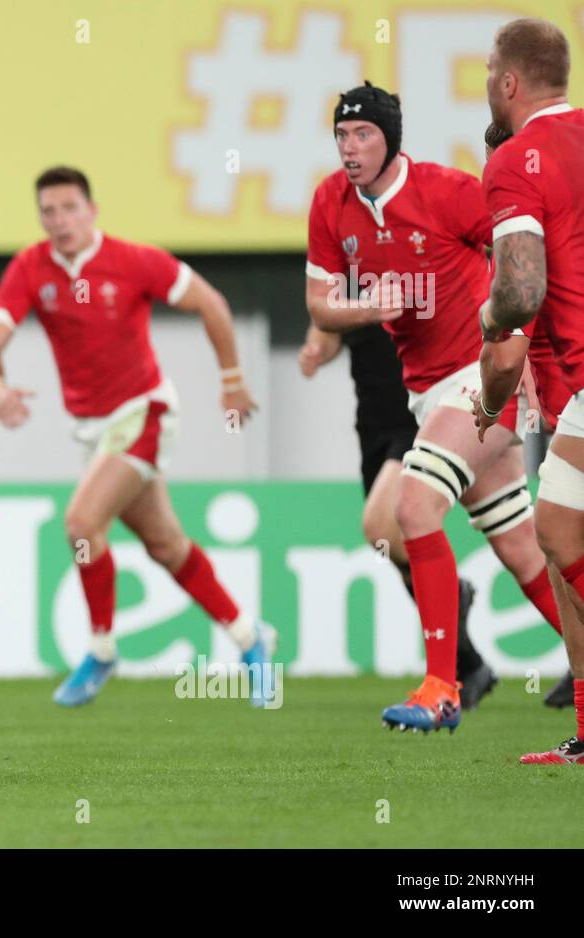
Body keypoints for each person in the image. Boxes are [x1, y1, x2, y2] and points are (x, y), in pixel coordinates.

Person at [305, 82, 561, 734]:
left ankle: (441, 686)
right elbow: (319, 305)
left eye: (363, 134)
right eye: (342, 135)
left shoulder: (448, 190)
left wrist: (536, 353)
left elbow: (527, 261)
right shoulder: (331, 204)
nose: (350, 147)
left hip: (487, 374)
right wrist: (368, 307)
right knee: (525, 551)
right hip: (430, 396)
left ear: (391, 139)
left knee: (411, 505)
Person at [0, 166, 273, 708]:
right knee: (166, 546)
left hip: (145, 412)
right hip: (93, 432)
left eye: (69, 208)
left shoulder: (135, 261)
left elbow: (212, 304)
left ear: (91, 210)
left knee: (82, 522)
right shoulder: (31, 267)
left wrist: (231, 381)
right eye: (49, 212)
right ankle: (253, 639)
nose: (60, 220)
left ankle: (102, 649)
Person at [473, 18, 584, 763]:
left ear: (509, 82)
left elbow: (518, 290)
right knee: (558, 534)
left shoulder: (518, 160)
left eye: (487, 70)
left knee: (557, 532)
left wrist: (487, 317)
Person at [298, 321, 496, 709]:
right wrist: (315, 350)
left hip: (422, 413)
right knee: (400, 554)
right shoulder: (350, 272)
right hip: (373, 423)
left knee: (380, 527)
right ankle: (470, 662)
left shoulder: (416, 265)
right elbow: (327, 330)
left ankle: (455, 607)